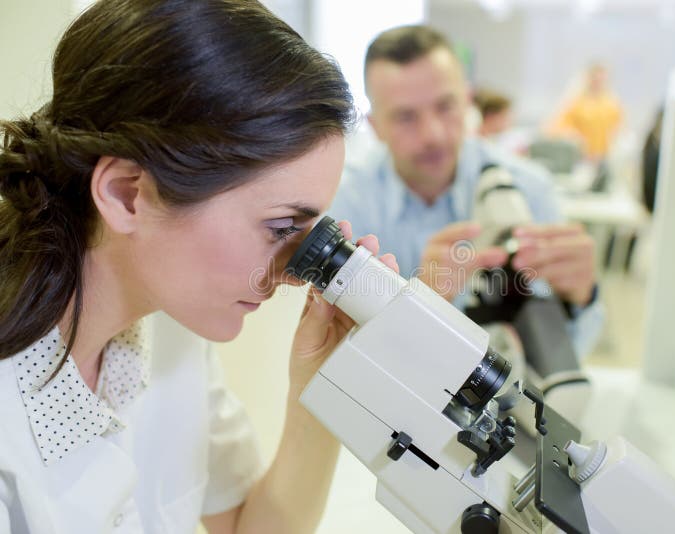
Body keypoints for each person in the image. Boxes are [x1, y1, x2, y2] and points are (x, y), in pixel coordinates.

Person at [0, 1, 398, 533]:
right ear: (125, 195)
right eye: (281, 228)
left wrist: (323, 391)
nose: (296, 273)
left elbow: (245, 527)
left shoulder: (171, 333)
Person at [329, 25, 603, 358]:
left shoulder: (530, 189)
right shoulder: (345, 207)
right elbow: (334, 357)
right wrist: (415, 311)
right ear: (375, 127)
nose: (432, 134)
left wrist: (582, 298)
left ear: (468, 102)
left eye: (446, 106)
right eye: (405, 117)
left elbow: (570, 353)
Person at [547, 62, 623, 162]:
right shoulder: (575, 102)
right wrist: (572, 136)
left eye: (601, 80)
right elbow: (555, 127)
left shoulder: (611, 103)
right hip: (581, 157)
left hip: (603, 157)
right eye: (595, 79)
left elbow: (619, 128)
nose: (598, 83)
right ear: (588, 79)